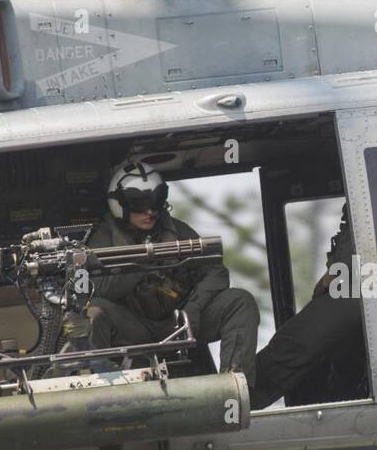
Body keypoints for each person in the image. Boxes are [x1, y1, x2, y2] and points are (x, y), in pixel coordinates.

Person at [62, 160, 259, 384]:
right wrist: (139, 264)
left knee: (240, 301)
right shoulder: (102, 241)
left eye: (156, 201)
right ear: (120, 203)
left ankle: (235, 384)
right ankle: (97, 391)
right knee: (93, 313)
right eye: (138, 203)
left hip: (181, 321)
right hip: (134, 326)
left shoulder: (177, 231)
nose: (150, 211)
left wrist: (194, 307)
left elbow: (216, 272)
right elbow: (96, 290)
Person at [249, 203, 367, 410]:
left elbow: (346, 268)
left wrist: (324, 283)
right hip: (361, 289)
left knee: (291, 345)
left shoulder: (369, 205)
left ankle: (230, 402)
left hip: (361, 291)